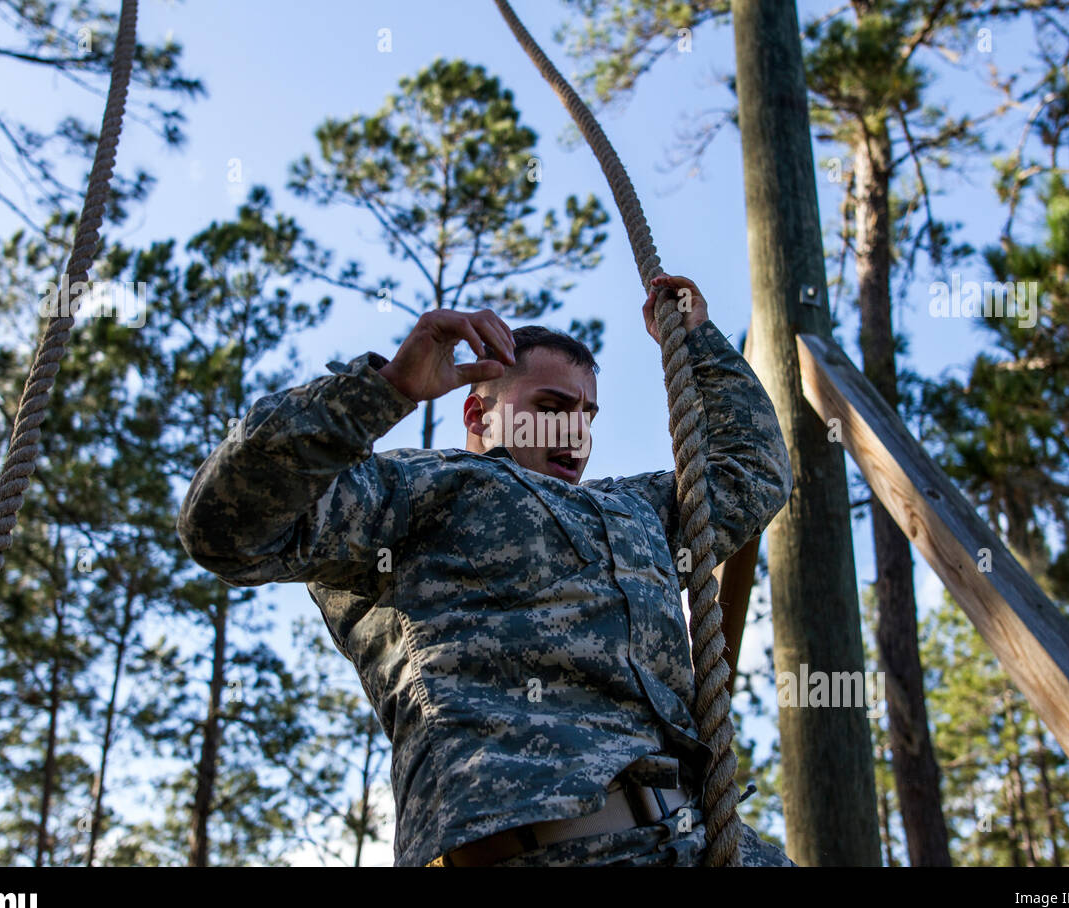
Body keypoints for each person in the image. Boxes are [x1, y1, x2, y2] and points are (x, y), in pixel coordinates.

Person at [177, 273, 795, 866]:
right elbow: (225, 526)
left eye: (587, 416)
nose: (574, 435)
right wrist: (386, 388)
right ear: (478, 415)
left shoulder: (636, 511)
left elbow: (754, 473)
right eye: (551, 407)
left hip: (711, 844)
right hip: (549, 850)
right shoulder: (418, 491)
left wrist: (698, 340)